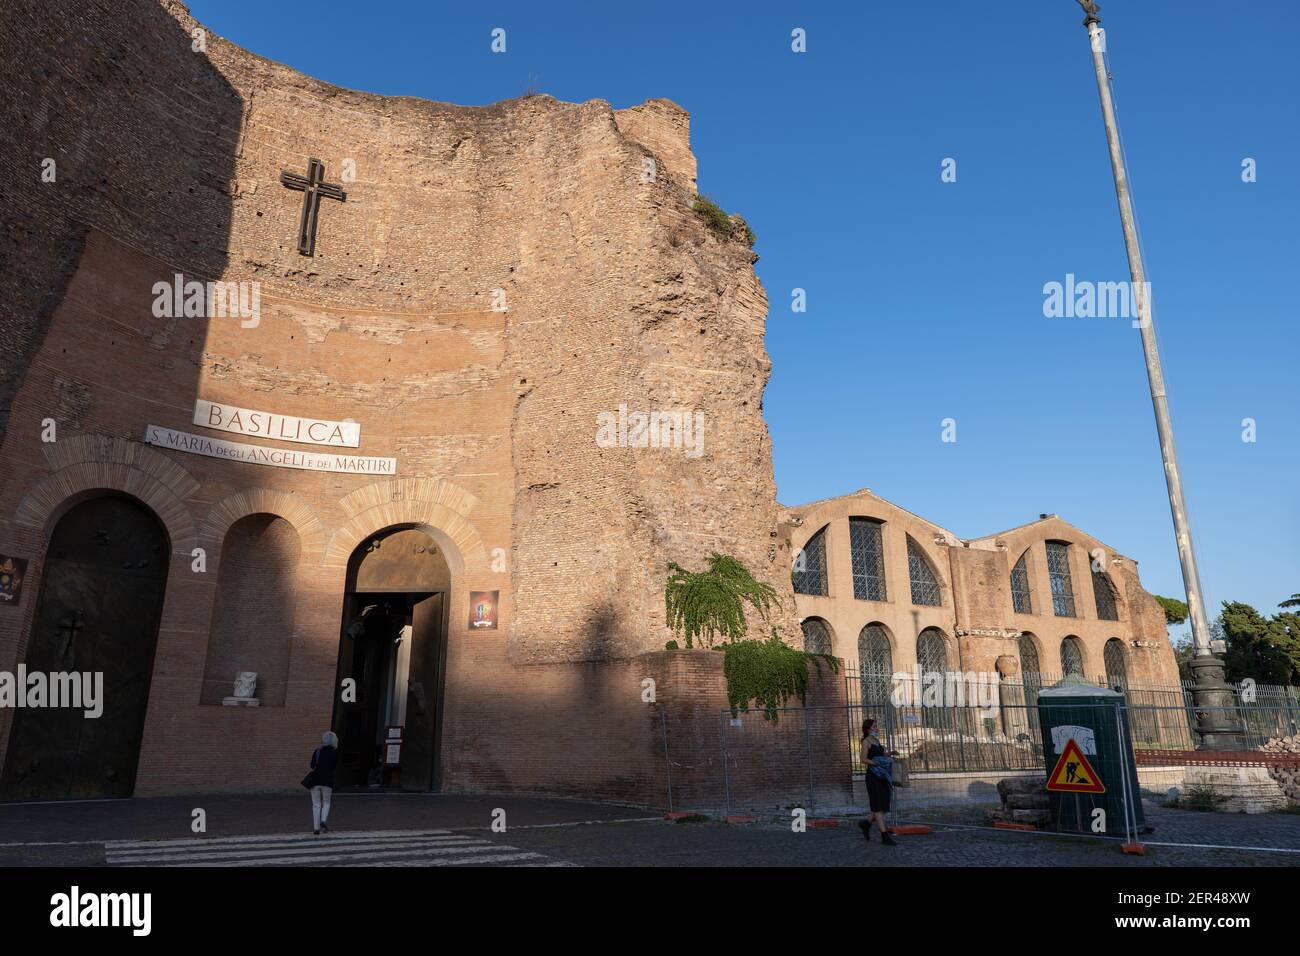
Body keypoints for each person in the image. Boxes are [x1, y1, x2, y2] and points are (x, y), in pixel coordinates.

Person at [858, 718, 897, 846]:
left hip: (882, 776)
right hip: (873, 777)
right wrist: (876, 762)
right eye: (874, 726)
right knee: (878, 807)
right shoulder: (866, 742)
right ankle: (884, 836)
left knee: (884, 805)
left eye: (876, 726)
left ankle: (866, 823)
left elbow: (880, 755)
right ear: (868, 729)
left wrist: (889, 754)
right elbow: (863, 759)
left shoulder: (876, 740)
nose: (876, 728)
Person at [307, 731, 338, 835]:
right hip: (327, 781)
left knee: (316, 804)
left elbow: (312, 765)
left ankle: (316, 828)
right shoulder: (334, 752)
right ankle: (323, 820)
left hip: (315, 780)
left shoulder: (317, 751)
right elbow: (334, 767)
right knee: (326, 802)